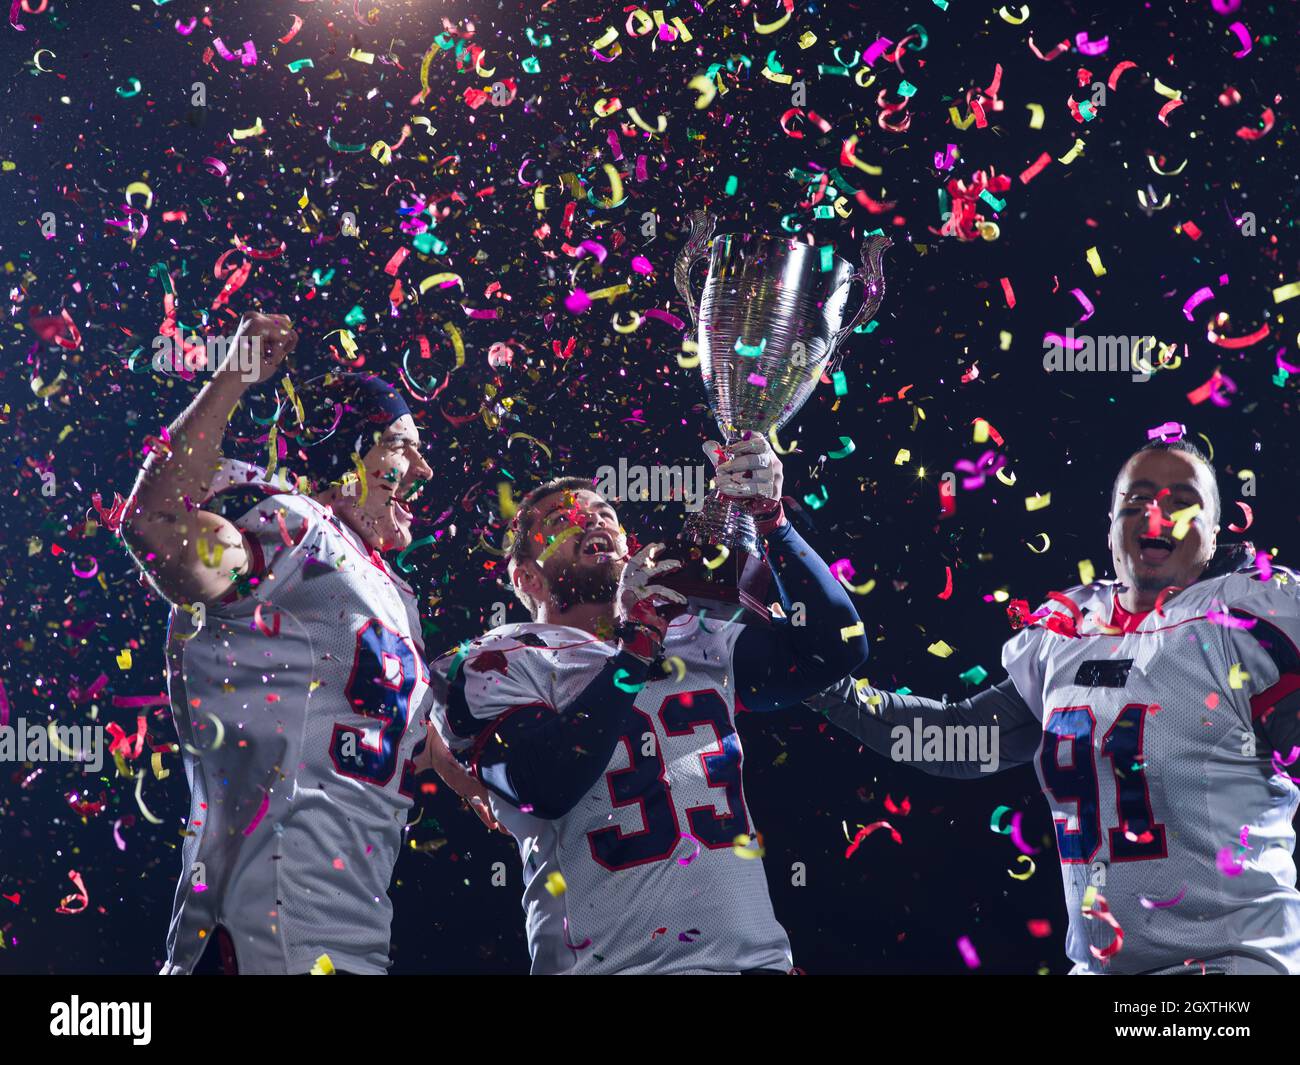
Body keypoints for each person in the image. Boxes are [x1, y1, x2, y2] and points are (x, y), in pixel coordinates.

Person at [808, 439, 1300, 974]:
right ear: (1110, 523)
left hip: (1230, 963)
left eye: (1181, 501)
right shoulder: (1068, 632)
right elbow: (961, 740)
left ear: (1216, 527)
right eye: (1134, 502)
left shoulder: (1244, 621)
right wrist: (825, 688)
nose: (1154, 515)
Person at [120, 312, 493, 975]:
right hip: (263, 931)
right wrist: (232, 375)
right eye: (403, 445)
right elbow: (155, 527)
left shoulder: (390, 596)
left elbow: (399, 735)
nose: (426, 468)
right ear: (350, 449)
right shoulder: (298, 528)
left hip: (349, 936)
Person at [428, 433, 870, 973]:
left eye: (603, 512)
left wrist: (773, 522)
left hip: (758, 963)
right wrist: (635, 646)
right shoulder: (493, 660)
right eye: (559, 519)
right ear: (526, 577)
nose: (590, 520)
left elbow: (836, 647)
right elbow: (541, 785)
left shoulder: (692, 631)